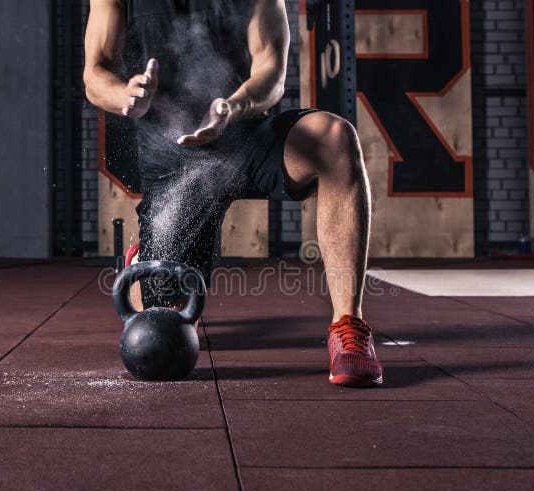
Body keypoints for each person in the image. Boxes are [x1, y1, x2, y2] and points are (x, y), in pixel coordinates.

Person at [84, 0, 382, 387]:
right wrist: (124, 95)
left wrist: (232, 107)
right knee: (160, 325)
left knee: (335, 139)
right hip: (173, 159)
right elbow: (95, 72)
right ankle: (144, 258)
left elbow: (271, 69)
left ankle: (349, 328)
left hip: (241, 132)